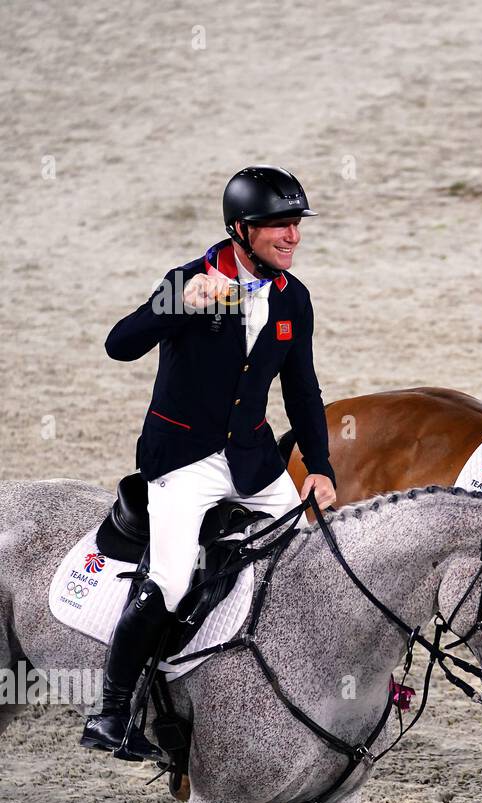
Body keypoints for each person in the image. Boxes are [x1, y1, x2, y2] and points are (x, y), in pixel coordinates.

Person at [82, 166, 338, 762]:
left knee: (309, 560)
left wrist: (318, 465)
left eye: (296, 225)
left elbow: (303, 391)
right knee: (169, 580)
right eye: (279, 226)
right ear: (241, 229)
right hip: (182, 460)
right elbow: (119, 344)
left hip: (250, 457)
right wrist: (173, 304)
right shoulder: (191, 280)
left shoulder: (292, 298)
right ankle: (113, 712)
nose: (292, 236)